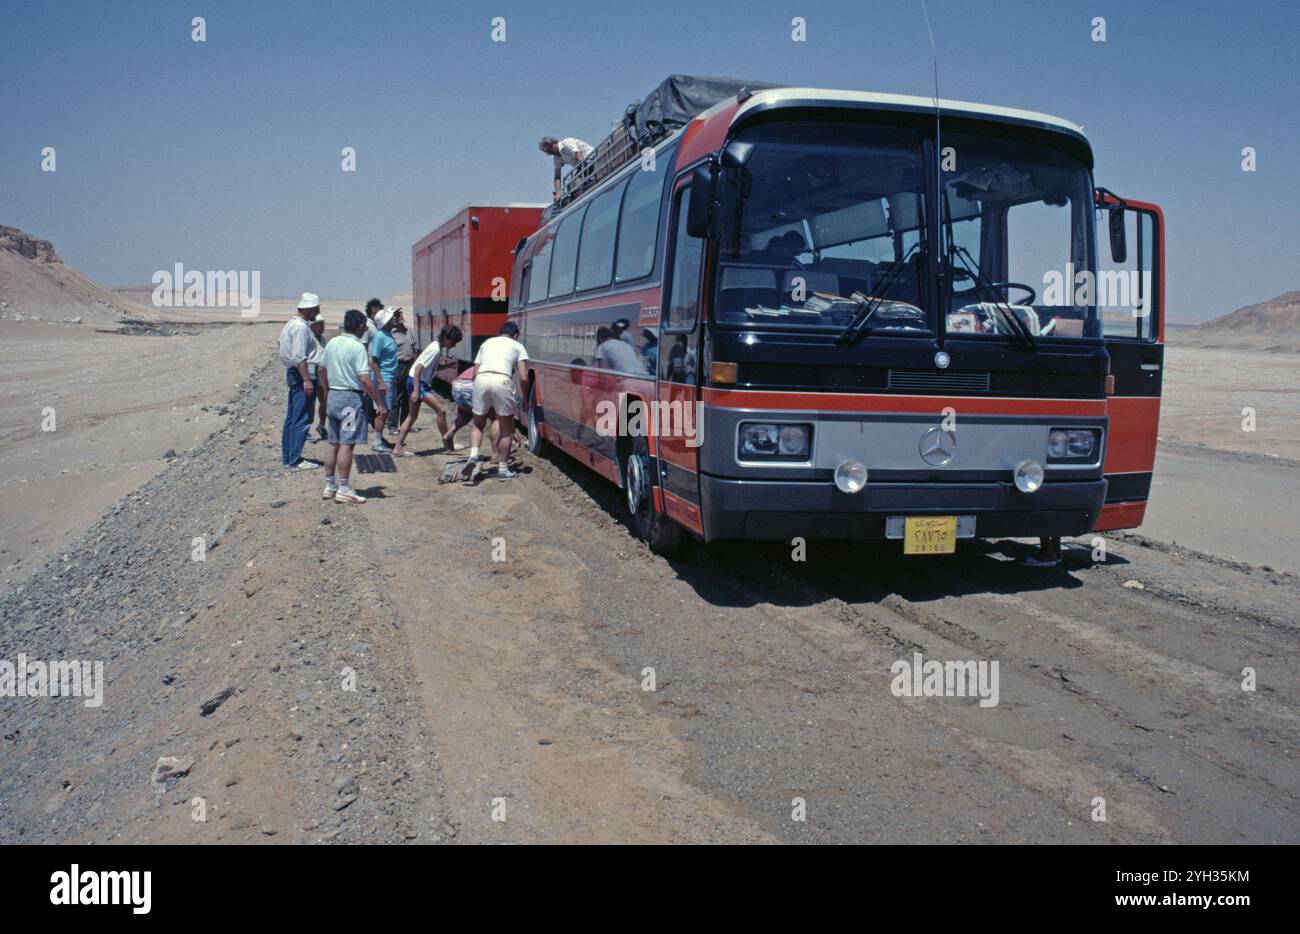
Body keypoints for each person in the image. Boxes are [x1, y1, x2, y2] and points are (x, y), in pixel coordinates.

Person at [319, 309, 388, 504]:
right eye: (365, 326)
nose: (366, 329)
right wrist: (378, 402)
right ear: (359, 327)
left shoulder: (332, 343)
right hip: (350, 398)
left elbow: (321, 368)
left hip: (333, 395)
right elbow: (364, 378)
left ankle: (330, 485)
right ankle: (343, 488)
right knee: (347, 444)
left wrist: (326, 390)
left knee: (333, 441)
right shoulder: (357, 347)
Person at [462, 322, 529, 480]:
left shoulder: (486, 343)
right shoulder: (518, 346)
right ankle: (503, 469)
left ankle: (473, 455)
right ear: (516, 335)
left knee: (478, 423)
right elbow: (524, 377)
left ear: (499, 332)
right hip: (502, 380)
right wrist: (526, 398)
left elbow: (474, 372)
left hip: (481, 379)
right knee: (505, 428)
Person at [393, 324, 462, 457]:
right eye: (453, 342)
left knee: (412, 417)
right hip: (418, 383)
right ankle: (448, 443)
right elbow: (419, 367)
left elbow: (430, 368)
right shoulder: (435, 349)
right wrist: (416, 390)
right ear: (446, 338)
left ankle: (398, 448)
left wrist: (447, 365)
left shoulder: (435, 347)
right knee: (441, 410)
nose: (453, 345)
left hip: (415, 382)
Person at [278, 293, 322, 470]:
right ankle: (295, 459)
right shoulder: (301, 328)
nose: (318, 312)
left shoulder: (292, 324)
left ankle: (289, 457)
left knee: (293, 417)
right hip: (303, 374)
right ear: (308, 309)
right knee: (302, 417)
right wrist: (306, 379)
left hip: (296, 373)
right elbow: (299, 356)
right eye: (316, 309)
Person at [368, 306, 401, 452]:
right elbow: (374, 362)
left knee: (385, 410)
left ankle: (379, 439)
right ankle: (376, 442)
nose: (396, 318)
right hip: (384, 378)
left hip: (389, 377)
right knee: (383, 410)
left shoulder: (387, 334)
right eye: (392, 316)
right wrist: (381, 382)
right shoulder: (380, 336)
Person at [538, 135, 594, 202]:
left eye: (549, 150)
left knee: (575, 184)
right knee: (570, 187)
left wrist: (583, 172)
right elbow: (557, 177)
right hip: (582, 166)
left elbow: (578, 156)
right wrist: (558, 193)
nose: (549, 153)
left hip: (590, 158)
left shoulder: (567, 142)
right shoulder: (557, 158)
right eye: (547, 152)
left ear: (553, 144)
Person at [389, 310, 416, 430]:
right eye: (397, 315)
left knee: (408, 395)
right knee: (396, 396)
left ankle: (405, 425)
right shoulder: (390, 333)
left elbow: (413, 347)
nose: (400, 317)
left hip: (410, 365)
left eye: (400, 314)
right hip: (398, 366)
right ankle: (392, 425)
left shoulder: (409, 330)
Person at [308, 318, 328, 441]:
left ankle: (321, 426)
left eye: (323, 325)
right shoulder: (308, 339)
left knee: (324, 402)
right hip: (310, 375)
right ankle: (305, 430)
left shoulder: (323, 339)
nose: (322, 327)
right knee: (309, 404)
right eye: (320, 325)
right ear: (313, 326)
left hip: (320, 374)